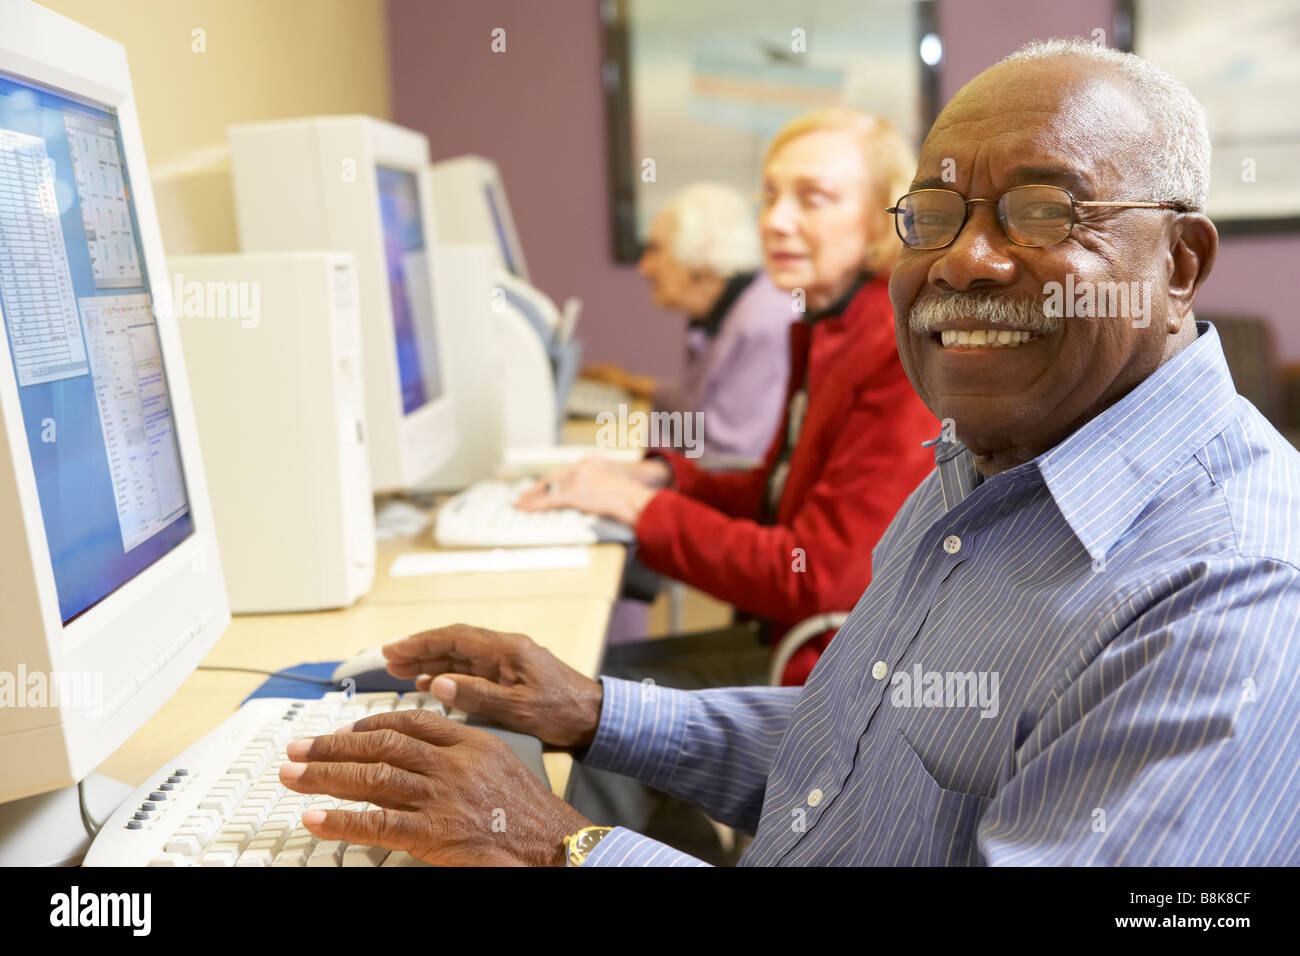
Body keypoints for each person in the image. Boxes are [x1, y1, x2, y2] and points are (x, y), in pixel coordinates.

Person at [279, 38, 1300, 866]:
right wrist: (593, 710)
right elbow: (857, 753)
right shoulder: (988, 459)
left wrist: (566, 845)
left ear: (1179, 263)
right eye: (935, 214)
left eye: (1044, 212)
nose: (968, 258)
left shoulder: (1231, 595)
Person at [519, 108, 938, 689]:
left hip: (833, 690)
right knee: (564, 681)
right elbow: (775, 497)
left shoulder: (895, 350)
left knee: (565, 702)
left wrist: (640, 510)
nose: (775, 221)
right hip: (785, 643)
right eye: (769, 197)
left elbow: (816, 576)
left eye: (812, 198)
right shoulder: (822, 326)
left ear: (880, 221)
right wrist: (665, 481)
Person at [583, 183, 795, 462]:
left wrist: (640, 476)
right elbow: (701, 403)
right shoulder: (726, 313)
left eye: (655, 250)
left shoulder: (761, 323)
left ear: (700, 254)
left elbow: (733, 460)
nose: (644, 268)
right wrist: (631, 383)